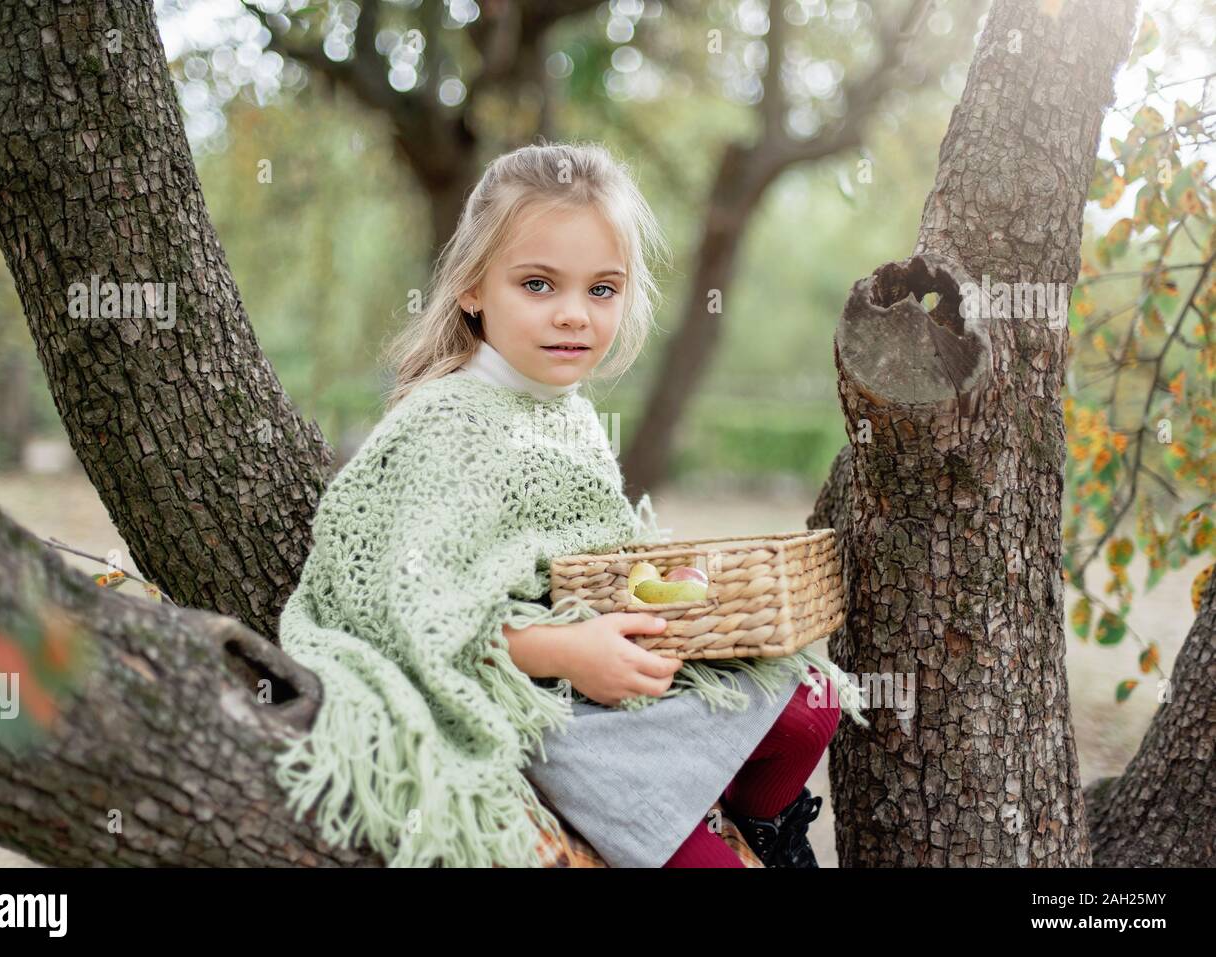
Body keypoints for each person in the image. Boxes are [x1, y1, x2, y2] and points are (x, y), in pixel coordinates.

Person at [272, 141, 868, 869]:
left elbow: (587, 563)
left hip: (599, 660)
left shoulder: (570, 415)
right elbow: (409, 617)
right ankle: (671, 821)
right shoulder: (442, 424)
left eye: (602, 290)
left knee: (810, 702)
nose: (573, 316)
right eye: (538, 285)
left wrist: (670, 605)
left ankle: (760, 823)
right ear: (472, 287)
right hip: (533, 704)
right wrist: (568, 652)